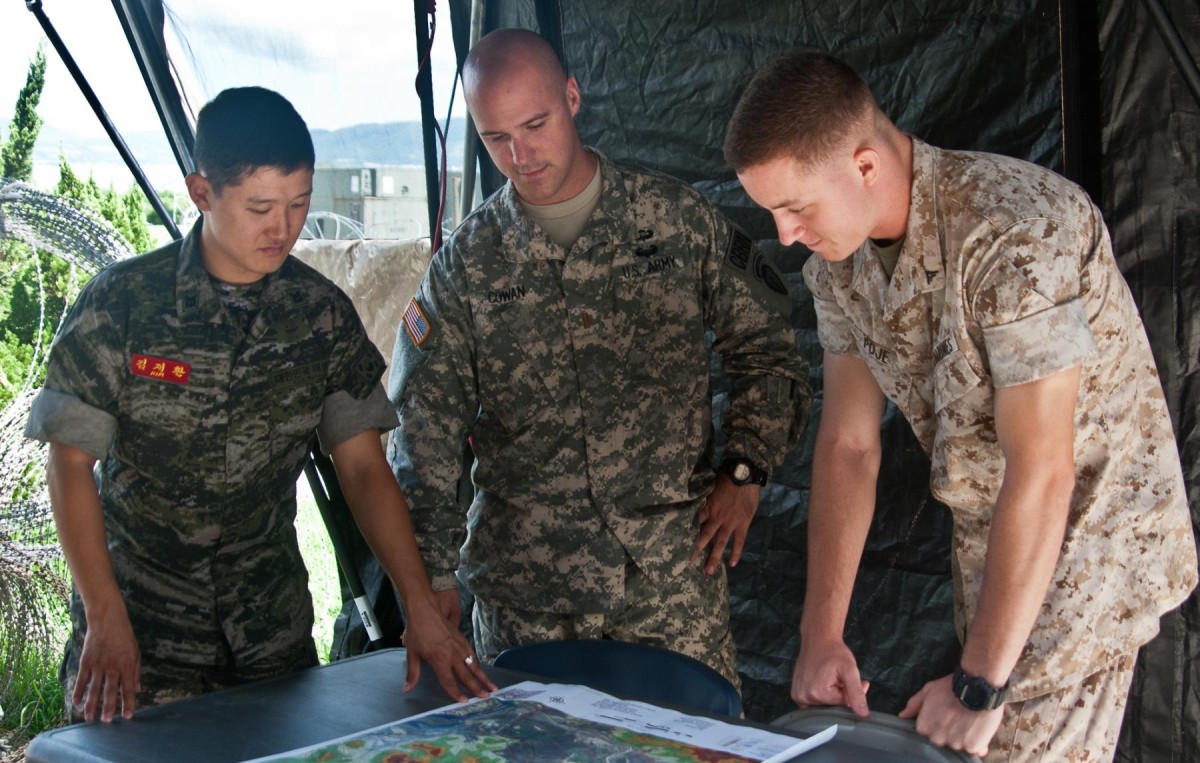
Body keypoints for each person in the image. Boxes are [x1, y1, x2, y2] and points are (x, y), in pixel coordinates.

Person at [723, 49, 1198, 761]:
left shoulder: (1016, 232)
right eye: (773, 213)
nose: (786, 234)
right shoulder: (838, 264)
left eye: (796, 207)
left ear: (864, 166)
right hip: (996, 544)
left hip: (1091, 548)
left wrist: (979, 683)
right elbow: (850, 444)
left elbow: (1044, 471)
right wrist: (820, 635)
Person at [25, 86, 494, 724]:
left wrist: (417, 601)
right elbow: (70, 465)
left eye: (299, 204)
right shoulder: (123, 304)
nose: (283, 229)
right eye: (260, 207)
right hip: (138, 640)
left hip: (269, 640)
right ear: (201, 192)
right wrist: (105, 618)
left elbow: (361, 468)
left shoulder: (321, 315)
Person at [387, 28, 809, 686]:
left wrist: (747, 469)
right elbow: (423, 432)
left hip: (668, 582)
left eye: (536, 123)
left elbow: (770, 347)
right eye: (496, 137)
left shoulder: (676, 220)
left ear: (573, 96)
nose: (521, 154)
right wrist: (431, 574)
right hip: (528, 595)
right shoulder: (467, 265)